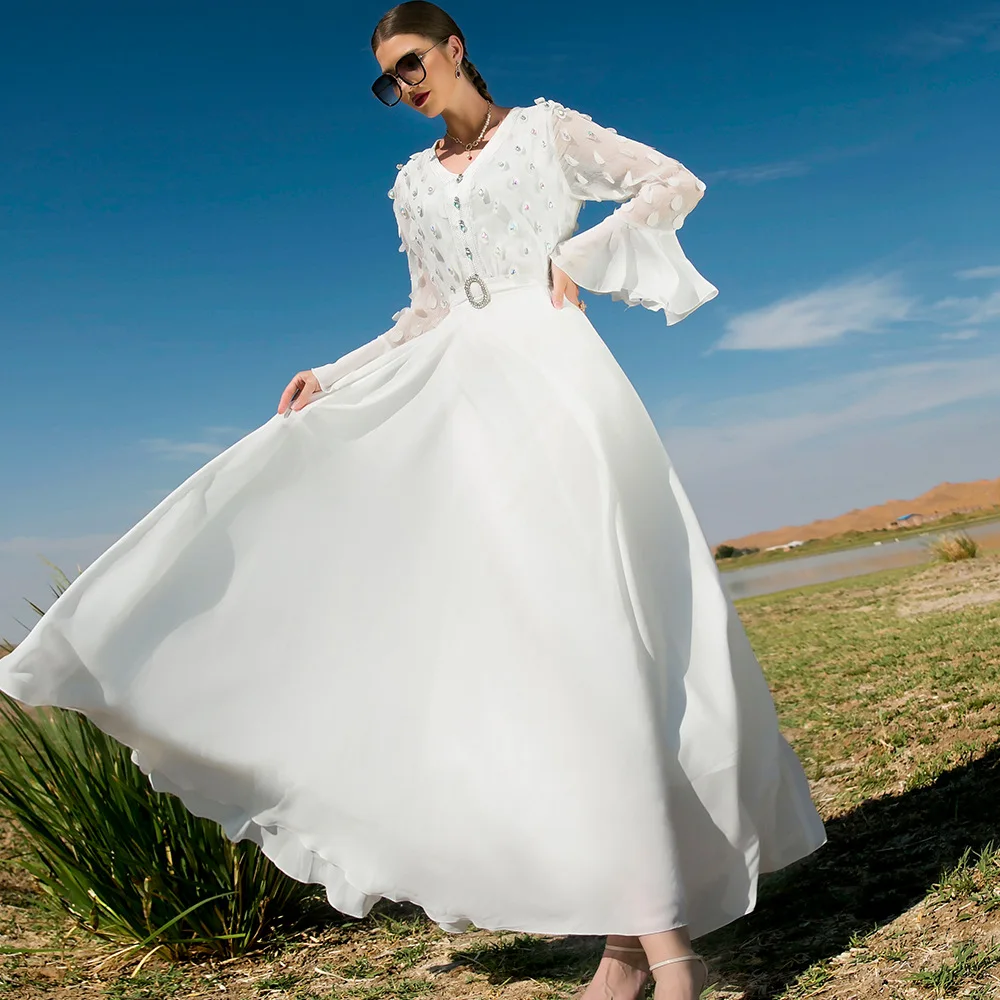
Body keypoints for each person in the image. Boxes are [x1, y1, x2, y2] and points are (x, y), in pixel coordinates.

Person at [0, 3, 826, 998]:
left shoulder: (548, 133)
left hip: (560, 391)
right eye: (388, 81)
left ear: (454, 48)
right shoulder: (411, 184)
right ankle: (638, 943)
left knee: (599, 640)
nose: (405, 88)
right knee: (543, 663)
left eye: (412, 64)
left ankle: (652, 949)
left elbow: (670, 181)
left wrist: (585, 259)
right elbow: (427, 313)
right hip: (465, 416)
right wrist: (332, 372)